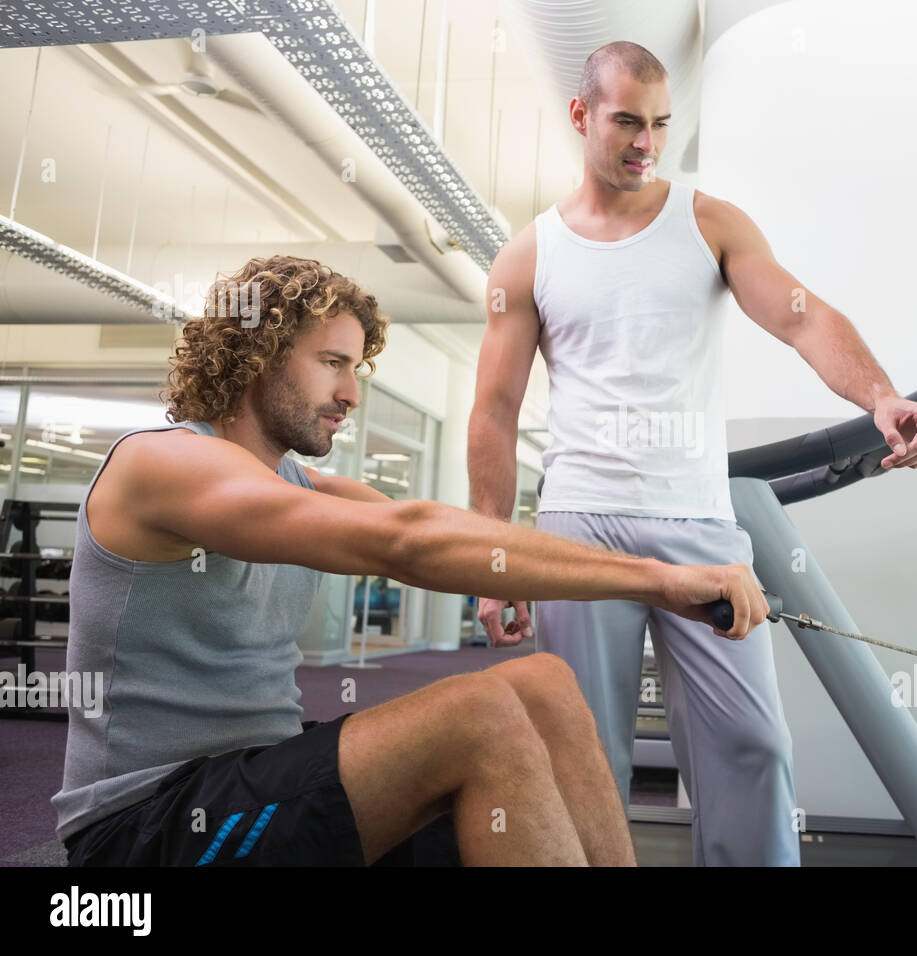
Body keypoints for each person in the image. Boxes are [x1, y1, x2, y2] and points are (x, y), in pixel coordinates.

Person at [52, 254, 769, 867]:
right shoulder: (161, 464)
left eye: (355, 368)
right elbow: (403, 539)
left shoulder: (303, 485)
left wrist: (529, 577)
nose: (350, 394)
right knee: (480, 712)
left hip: (264, 784)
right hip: (149, 825)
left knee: (545, 683)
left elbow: (451, 535)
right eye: (331, 363)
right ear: (257, 355)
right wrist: (659, 580)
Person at [468, 41, 917, 866]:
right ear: (582, 115)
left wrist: (881, 396)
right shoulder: (529, 256)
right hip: (575, 527)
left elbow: (803, 317)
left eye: (662, 124)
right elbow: (493, 411)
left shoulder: (710, 223)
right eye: (628, 121)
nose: (647, 143)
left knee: (753, 748)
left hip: (697, 522)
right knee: (580, 762)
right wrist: (491, 554)